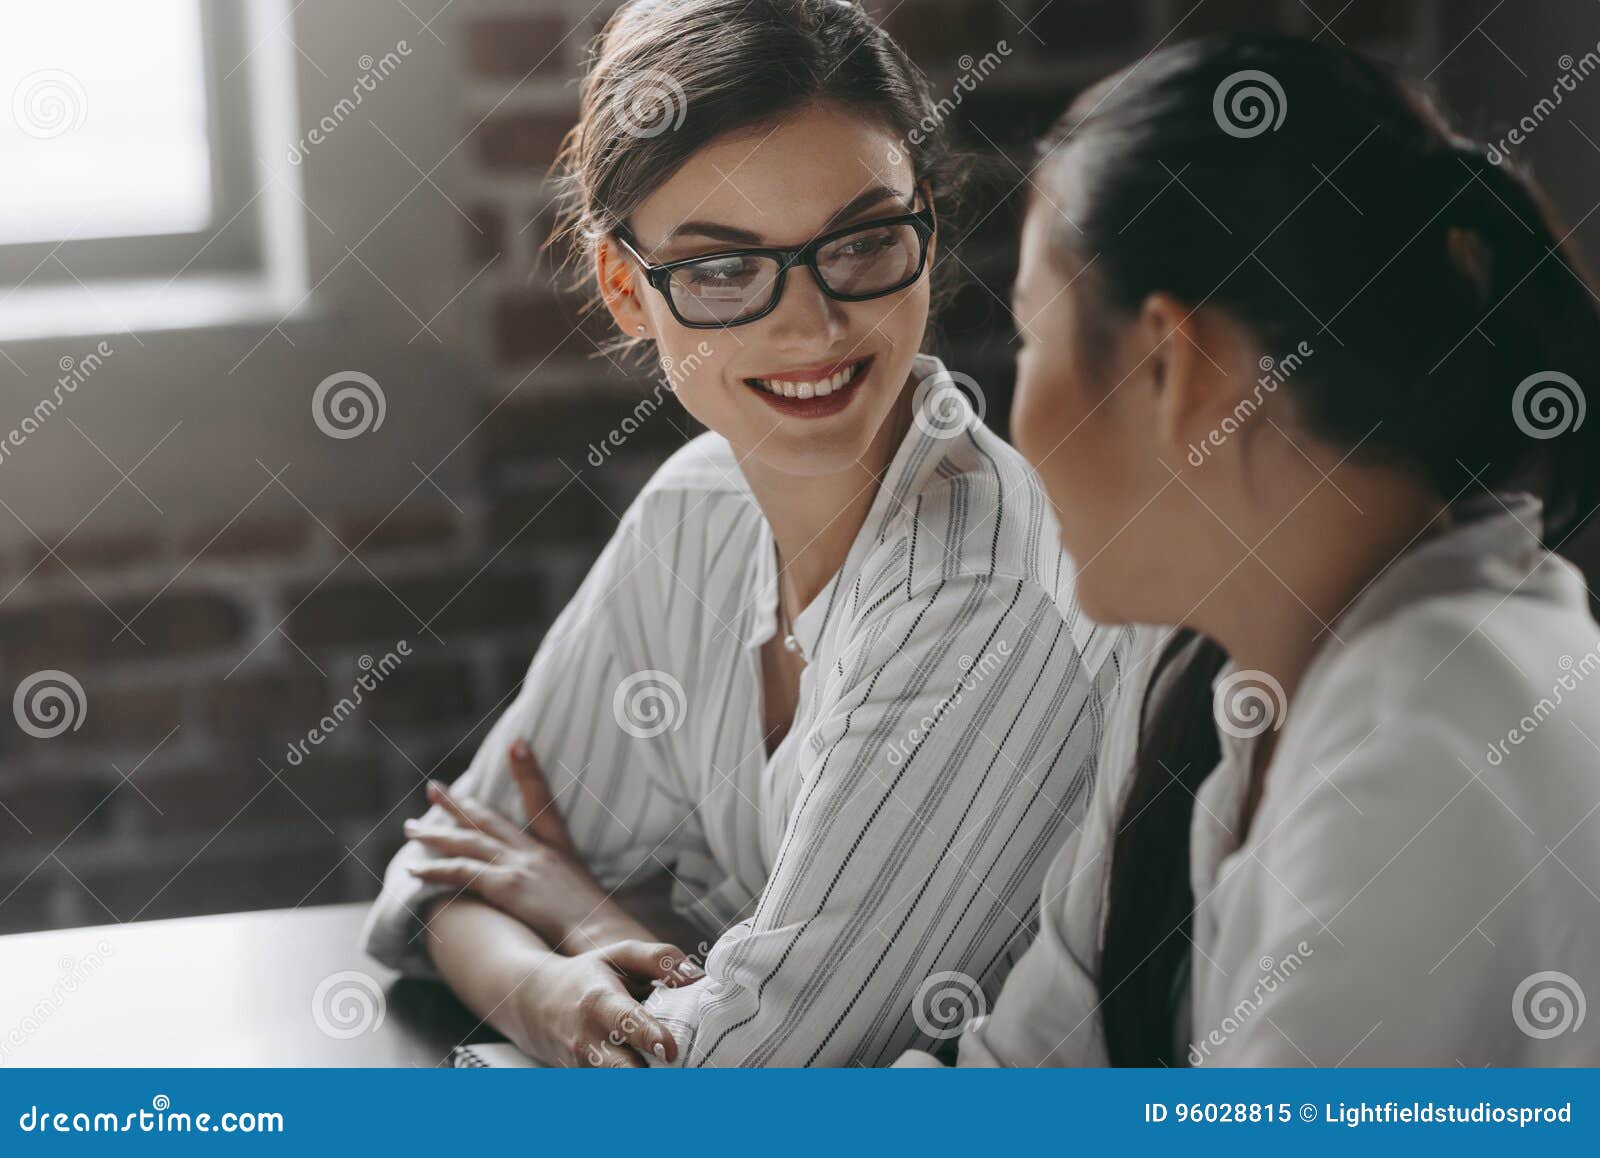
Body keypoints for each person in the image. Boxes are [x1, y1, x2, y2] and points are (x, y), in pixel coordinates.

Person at [362, 0, 1130, 1068]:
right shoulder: (697, 508)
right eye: (724, 270)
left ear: (927, 231)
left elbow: (738, 1084)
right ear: (629, 289)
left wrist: (590, 925)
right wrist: (550, 986)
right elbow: (445, 869)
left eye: (860, 243)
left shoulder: (979, 591)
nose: (810, 325)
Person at [904, 33, 1600, 1066]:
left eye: (1030, 339)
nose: (1011, 413)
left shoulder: (1423, 735)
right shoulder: (1203, 684)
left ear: (1179, 368)